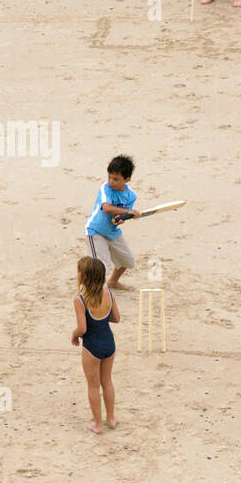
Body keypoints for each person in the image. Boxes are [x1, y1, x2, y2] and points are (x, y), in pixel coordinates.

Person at [71, 256, 120, 434]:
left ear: (84, 277)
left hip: (92, 346)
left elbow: (82, 328)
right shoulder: (109, 294)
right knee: (107, 381)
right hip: (109, 343)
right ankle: (111, 419)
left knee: (93, 385)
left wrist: (74, 334)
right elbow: (117, 318)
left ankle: (98, 424)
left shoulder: (81, 300)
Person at [84, 154, 139, 290]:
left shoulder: (131, 196)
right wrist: (127, 213)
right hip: (95, 231)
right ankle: (95, 292)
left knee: (127, 261)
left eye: (116, 179)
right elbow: (107, 208)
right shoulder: (105, 188)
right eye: (109, 177)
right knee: (100, 266)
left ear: (127, 179)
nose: (111, 182)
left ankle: (113, 282)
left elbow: (119, 218)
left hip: (112, 231)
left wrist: (122, 218)